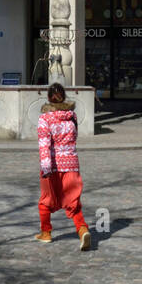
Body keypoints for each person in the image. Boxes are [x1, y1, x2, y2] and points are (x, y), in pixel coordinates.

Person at [35, 83, 90, 250]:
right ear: (64, 97)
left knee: (46, 200)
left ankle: (46, 233)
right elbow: (75, 138)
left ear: (49, 98)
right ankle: (82, 230)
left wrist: (46, 168)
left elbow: (44, 145)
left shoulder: (45, 119)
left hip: (52, 166)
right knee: (73, 201)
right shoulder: (72, 117)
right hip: (71, 164)